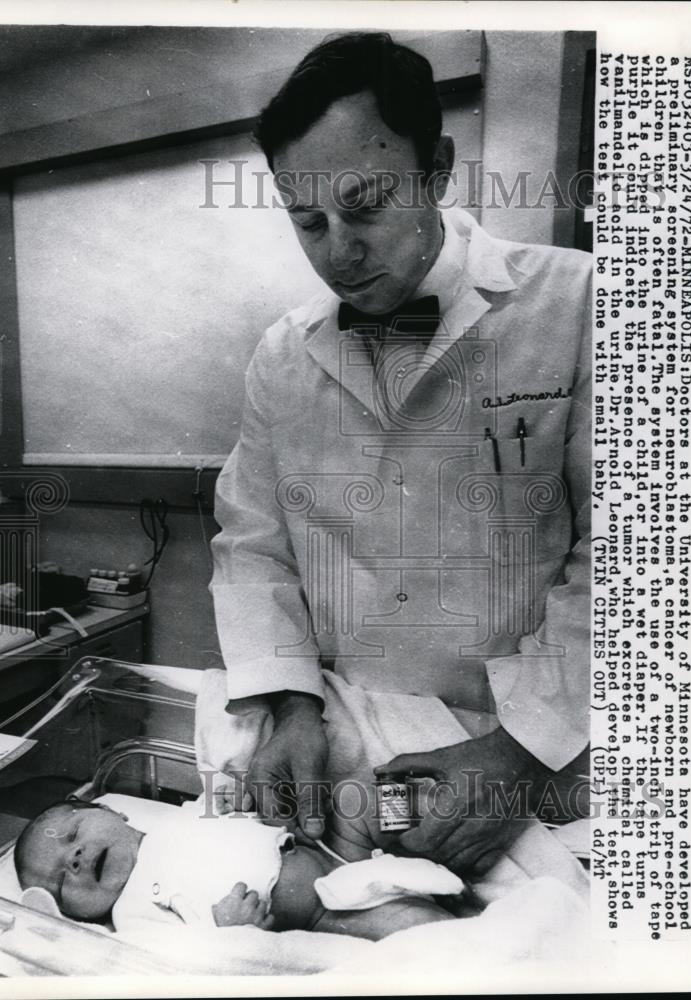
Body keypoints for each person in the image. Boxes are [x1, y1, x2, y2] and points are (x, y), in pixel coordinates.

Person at [210, 32, 592, 876]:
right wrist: (292, 706)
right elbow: (253, 545)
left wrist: (520, 753)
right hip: (355, 738)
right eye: (307, 222)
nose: (338, 252)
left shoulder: (576, 303)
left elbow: (639, 556)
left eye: (365, 207)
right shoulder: (282, 355)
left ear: (437, 169)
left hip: (545, 749)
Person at [13, 798, 461, 940]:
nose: (72, 859)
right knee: (418, 930)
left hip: (327, 843)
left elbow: (229, 809)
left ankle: (451, 844)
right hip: (320, 911)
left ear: (114, 812)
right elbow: (191, 958)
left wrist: (239, 803)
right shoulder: (132, 916)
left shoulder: (177, 817)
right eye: (59, 882)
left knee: (377, 799)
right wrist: (229, 932)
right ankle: (469, 930)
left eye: (72, 835)